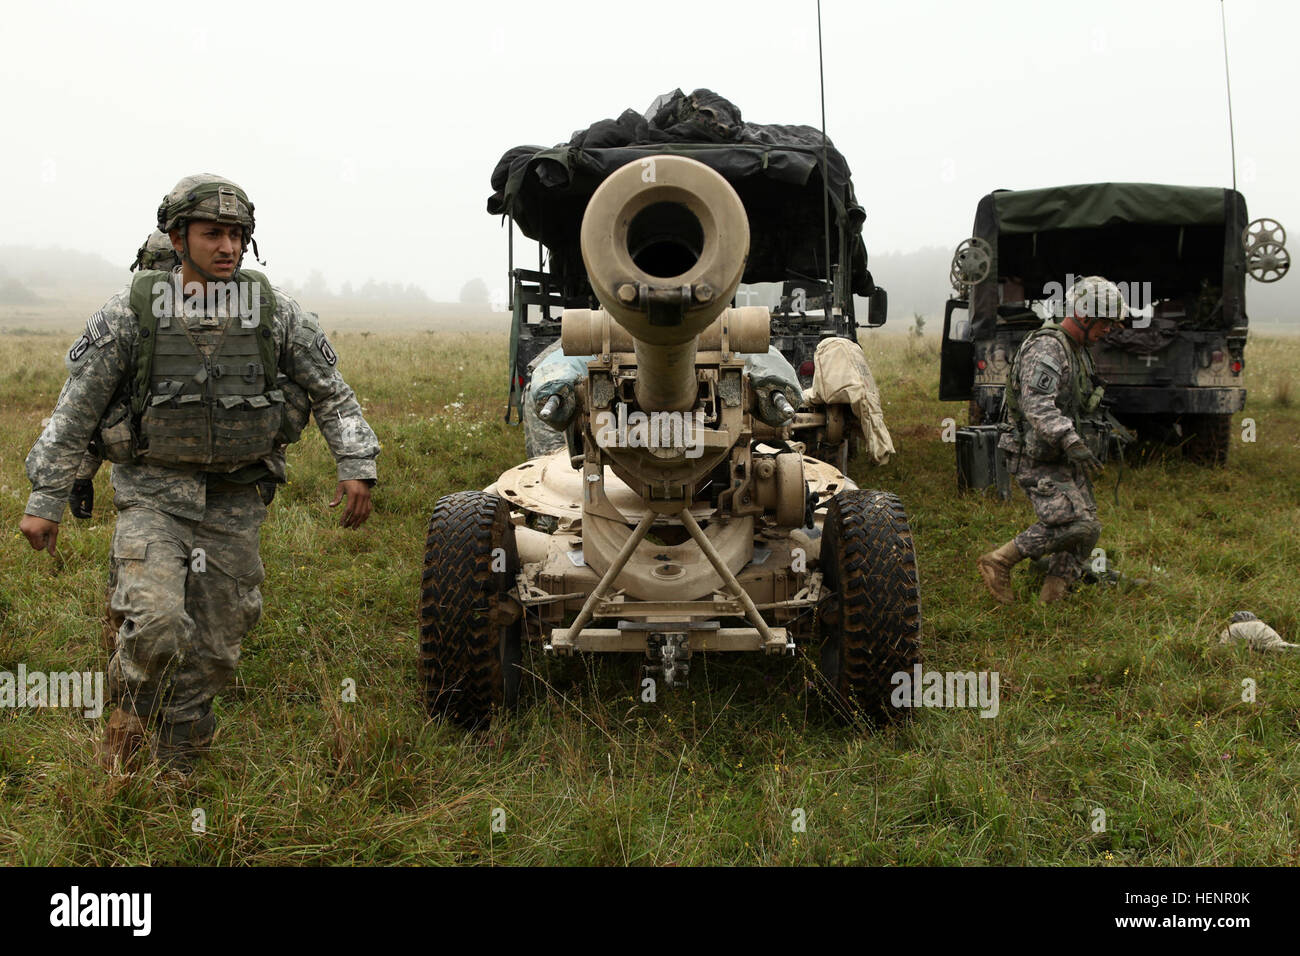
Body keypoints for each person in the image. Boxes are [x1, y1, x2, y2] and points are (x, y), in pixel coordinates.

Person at [18, 173, 379, 773]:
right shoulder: (131, 315)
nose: (228, 248)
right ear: (177, 237)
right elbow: (76, 408)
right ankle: (129, 716)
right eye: (213, 234)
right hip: (152, 495)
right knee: (159, 624)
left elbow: (332, 394)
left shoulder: (276, 315)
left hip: (236, 499)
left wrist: (356, 464)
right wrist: (47, 497)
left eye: (238, 236)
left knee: (215, 648)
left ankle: (180, 757)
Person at [977, 276, 1126, 604]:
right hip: (1033, 454)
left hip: (1057, 452)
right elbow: (1037, 404)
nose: (1110, 330)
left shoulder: (1078, 350)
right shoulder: (1048, 347)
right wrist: (1069, 439)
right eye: (1106, 322)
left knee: (1090, 526)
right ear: (1085, 317)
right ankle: (999, 560)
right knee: (1076, 525)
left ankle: (1053, 596)